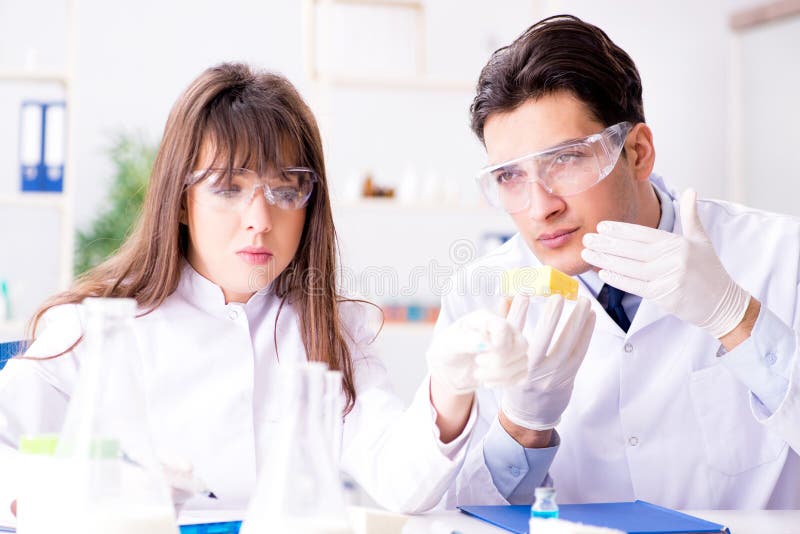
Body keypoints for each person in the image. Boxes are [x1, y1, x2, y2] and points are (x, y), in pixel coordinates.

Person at [0, 62, 487, 515]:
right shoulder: (98, 324)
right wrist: (91, 493)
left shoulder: (329, 330)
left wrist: (450, 383)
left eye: (286, 188)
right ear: (182, 202)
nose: (259, 220)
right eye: (228, 188)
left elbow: (403, 482)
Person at [429, 14, 800, 509]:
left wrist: (738, 320)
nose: (541, 207)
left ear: (639, 152)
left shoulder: (780, 255)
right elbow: (458, 512)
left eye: (566, 158)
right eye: (510, 177)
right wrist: (522, 428)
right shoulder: (480, 295)